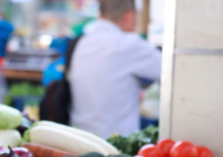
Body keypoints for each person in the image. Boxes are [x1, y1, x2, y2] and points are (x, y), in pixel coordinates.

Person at [67, 0, 162, 139]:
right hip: (115, 147)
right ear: (129, 16)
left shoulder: (81, 42)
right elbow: (172, 73)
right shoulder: (128, 44)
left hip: (79, 139)